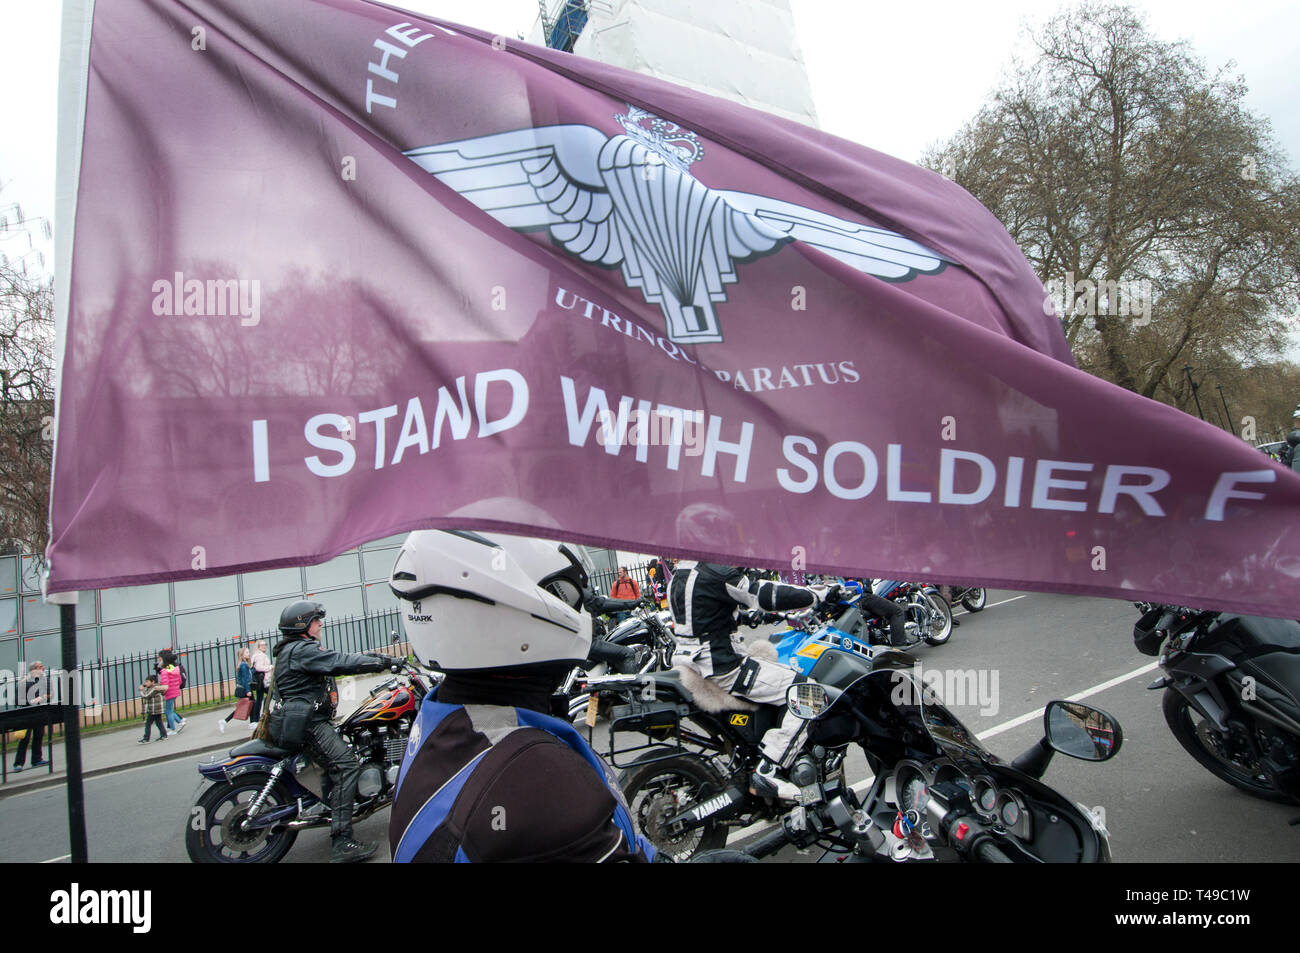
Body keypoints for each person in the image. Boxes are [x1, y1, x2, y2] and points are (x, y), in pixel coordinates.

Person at [387, 530, 656, 862]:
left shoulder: (438, 719)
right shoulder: (538, 782)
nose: (575, 607)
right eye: (562, 593)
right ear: (512, 607)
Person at [667, 561, 888, 801]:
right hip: (722, 666)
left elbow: (705, 611)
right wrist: (821, 593)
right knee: (809, 692)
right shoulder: (716, 572)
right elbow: (766, 594)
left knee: (771, 662)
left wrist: (748, 614)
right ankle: (769, 768)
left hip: (690, 663)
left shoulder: (681, 572)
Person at [266, 600, 391, 863]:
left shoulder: (293, 649)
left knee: (344, 750)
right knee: (347, 766)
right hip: (309, 723)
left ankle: (337, 809)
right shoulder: (302, 649)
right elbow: (340, 661)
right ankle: (342, 841)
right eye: (315, 620)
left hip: (305, 719)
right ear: (302, 625)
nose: (320, 623)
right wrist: (381, 662)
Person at [12, 661, 50, 771]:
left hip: (37, 711)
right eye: (40, 666)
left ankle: (37, 759)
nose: (43, 668)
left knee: (39, 735)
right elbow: (17, 699)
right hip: (26, 712)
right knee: (25, 738)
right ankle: (18, 763)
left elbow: (45, 695)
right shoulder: (26, 681)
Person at [218, 648, 255, 733]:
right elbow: (245, 679)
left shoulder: (244, 664)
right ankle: (224, 721)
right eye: (246, 652)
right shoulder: (243, 665)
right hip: (246, 688)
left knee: (251, 704)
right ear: (242, 655)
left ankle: (252, 723)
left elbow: (248, 675)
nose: (249, 653)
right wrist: (248, 690)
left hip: (245, 688)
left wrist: (253, 668)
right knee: (246, 706)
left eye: (249, 652)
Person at [157, 650, 186, 733]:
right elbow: (180, 680)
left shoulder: (164, 671)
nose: (158, 660)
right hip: (175, 691)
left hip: (169, 692)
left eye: (159, 658)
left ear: (163, 659)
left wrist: (157, 688)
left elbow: (165, 684)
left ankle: (173, 729)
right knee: (169, 710)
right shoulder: (175, 668)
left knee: (168, 712)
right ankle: (181, 721)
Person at [138, 674, 168, 744]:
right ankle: (164, 735)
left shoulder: (155, 688)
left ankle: (146, 738)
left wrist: (141, 690)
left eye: (147, 681)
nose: (145, 683)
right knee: (158, 722)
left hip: (154, 709)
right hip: (156, 709)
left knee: (148, 724)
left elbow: (146, 695)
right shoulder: (154, 688)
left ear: (153, 682)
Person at [248, 639, 271, 723]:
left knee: (259, 698)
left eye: (265, 644)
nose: (264, 646)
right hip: (262, 680)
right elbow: (259, 668)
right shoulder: (261, 655)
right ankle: (264, 713)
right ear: (258, 647)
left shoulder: (256, 655)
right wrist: (270, 667)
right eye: (262, 645)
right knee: (270, 694)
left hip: (259, 680)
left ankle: (256, 718)